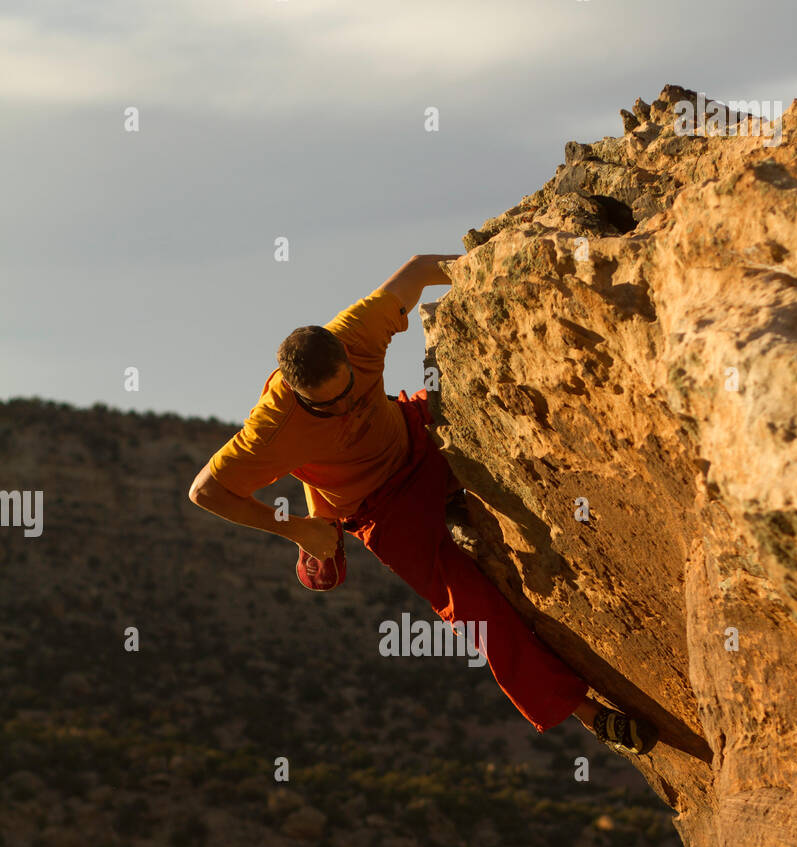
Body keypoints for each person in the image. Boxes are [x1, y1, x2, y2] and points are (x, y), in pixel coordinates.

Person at [188, 253, 657, 753]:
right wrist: (297, 530)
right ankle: (586, 712)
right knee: (469, 607)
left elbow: (420, 269)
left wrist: (502, 269)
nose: (345, 404)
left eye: (348, 389)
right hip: (379, 506)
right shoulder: (271, 429)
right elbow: (205, 492)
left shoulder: (355, 331)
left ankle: (337, 521)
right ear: (300, 396)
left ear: (346, 357)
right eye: (330, 406)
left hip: (415, 433)